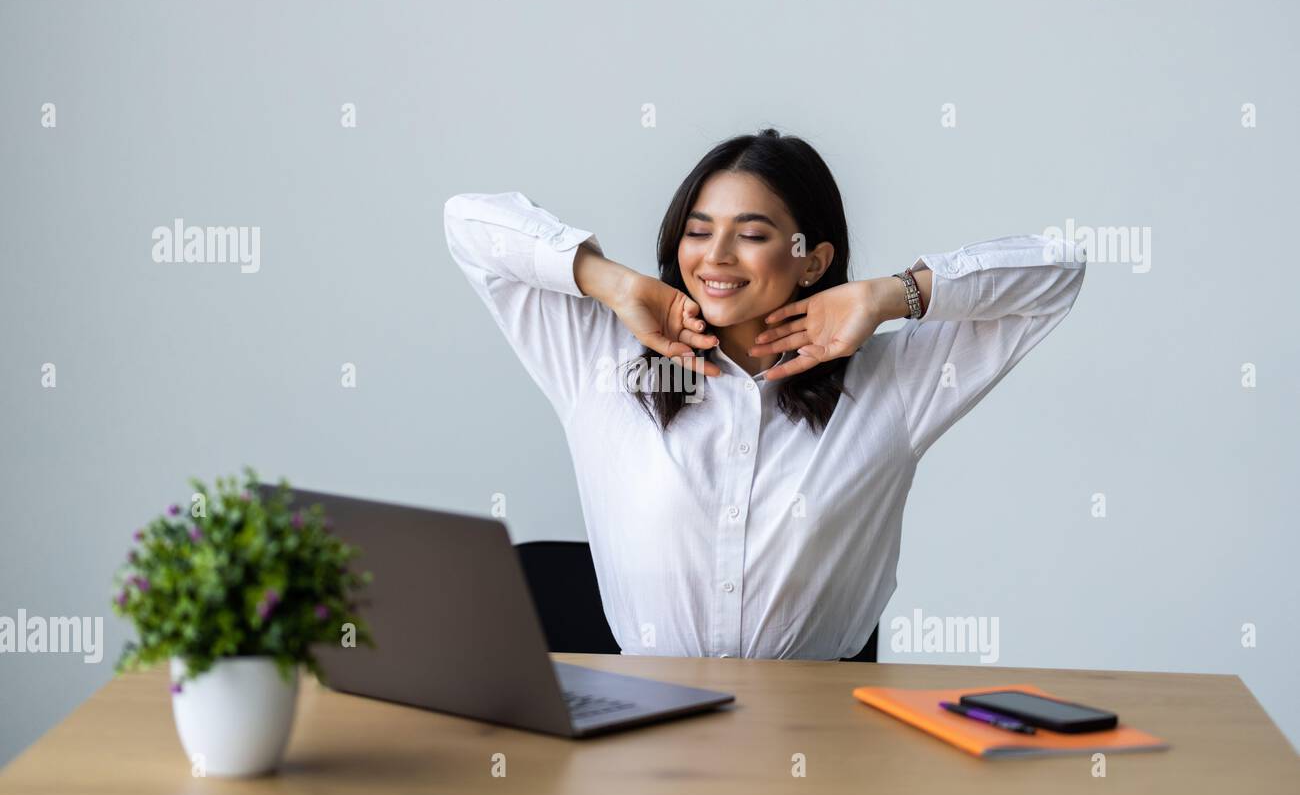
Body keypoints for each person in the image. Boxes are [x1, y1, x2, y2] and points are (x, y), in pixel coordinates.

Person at [443, 128, 1086, 660]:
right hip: (646, 736)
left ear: (812, 259)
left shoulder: (894, 381)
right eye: (698, 231)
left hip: (821, 742)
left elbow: (1059, 269)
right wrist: (609, 282)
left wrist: (889, 294)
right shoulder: (597, 358)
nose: (716, 256)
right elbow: (466, 222)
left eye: (751, 235)